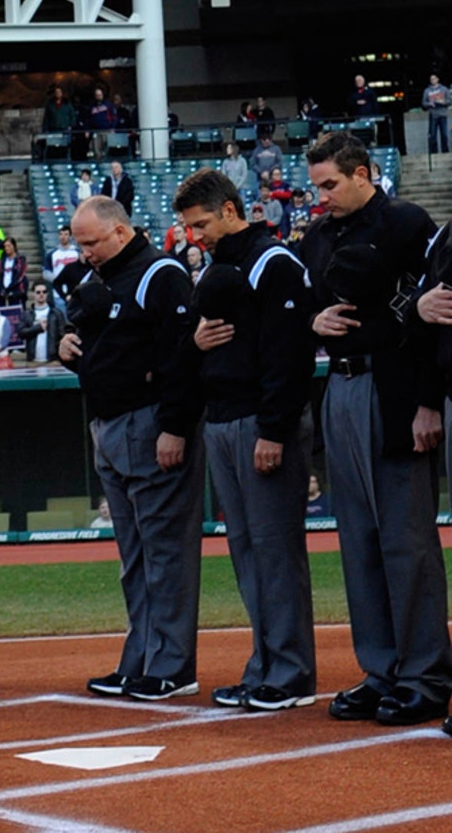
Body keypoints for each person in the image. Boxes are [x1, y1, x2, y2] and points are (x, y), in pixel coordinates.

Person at [300, 130, 452, 726]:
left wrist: (427, 404)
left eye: (331, 184)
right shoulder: (318, 235)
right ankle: (381, 668)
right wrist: (314, 320)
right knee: (358, 539)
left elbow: (434, 316)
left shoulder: (408, 223)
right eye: (317, 186)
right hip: (339, 386)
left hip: (394, 391)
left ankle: (425, 674)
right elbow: (306, 309)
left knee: (405, 541)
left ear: (362, 172)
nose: (323, 196)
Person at [172, 167, 316, 712]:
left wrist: (274, 428)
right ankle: (265, 667)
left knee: (274, 552)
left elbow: (289, 353)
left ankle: (291, 674)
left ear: (231, 210)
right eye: (189, 226)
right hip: (224, 417)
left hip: (260, 420)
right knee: (248, 553)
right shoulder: (223, 264)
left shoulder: (272, 261)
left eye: (202, 223)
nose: (195, 235)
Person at [58, 196, 205, 701]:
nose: (85, 252)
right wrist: (69, 351)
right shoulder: (102, 280)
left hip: (150, 424)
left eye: (91, 242)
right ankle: (140, 658)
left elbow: (182, 357)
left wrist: (175, 426)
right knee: (135, 556)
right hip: (108, 424)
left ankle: (173, 666)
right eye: (80, 244)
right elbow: (107, 350)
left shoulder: (158, 273)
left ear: (120, 232)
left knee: (165, 552)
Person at [18, 281, 65, 363]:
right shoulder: (27, 314)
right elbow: (21, 333)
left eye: (44, 292)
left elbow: (63, 334)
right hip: (33, 360)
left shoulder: (56, 313)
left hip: (53, 360)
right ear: (33, 294)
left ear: (47, 294)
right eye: (38, 292)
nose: (41, 294)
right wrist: (38, 328)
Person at [42, 224, 80, 312]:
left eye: (66, 234)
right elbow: (46, 272)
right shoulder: (52, 254)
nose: (63, 237)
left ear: (70, 236)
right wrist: (58, 280)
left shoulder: (77, 253)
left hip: (76, 292)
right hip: (58, 294)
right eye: (61, 234)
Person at [0, 236, 28, 307]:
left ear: (14, 246)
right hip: (4, 291)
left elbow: (20, 276)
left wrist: (10, 288)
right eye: (5, 246)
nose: (7, 248)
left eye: (9, 246)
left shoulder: (20, 259)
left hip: (17, 291)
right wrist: (2, 288)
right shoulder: (2, 259)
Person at [422, 73, 451, 154]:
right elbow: (424, 103)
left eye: (434, 78)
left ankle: (445, 151)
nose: (433, 80)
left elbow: (449, 101)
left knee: (444, 134)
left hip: (442, 114)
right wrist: (429, 104)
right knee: (433, 135)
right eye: (431, 79)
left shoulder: (444, 89)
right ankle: (434, 152)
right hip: (433, 114)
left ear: (438, 79)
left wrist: (443, 102)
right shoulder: (427, 90)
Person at [87, 88, 115, 160]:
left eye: (100, 95)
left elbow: (114, 117)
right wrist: (87, 130)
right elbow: (89, 119)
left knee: (106, 148)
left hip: (106, 129)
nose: (98, 96)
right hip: (96, 130)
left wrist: (112, 127)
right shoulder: (92, 106)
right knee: (96, 149)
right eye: (97, 95)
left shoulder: (108, 105)